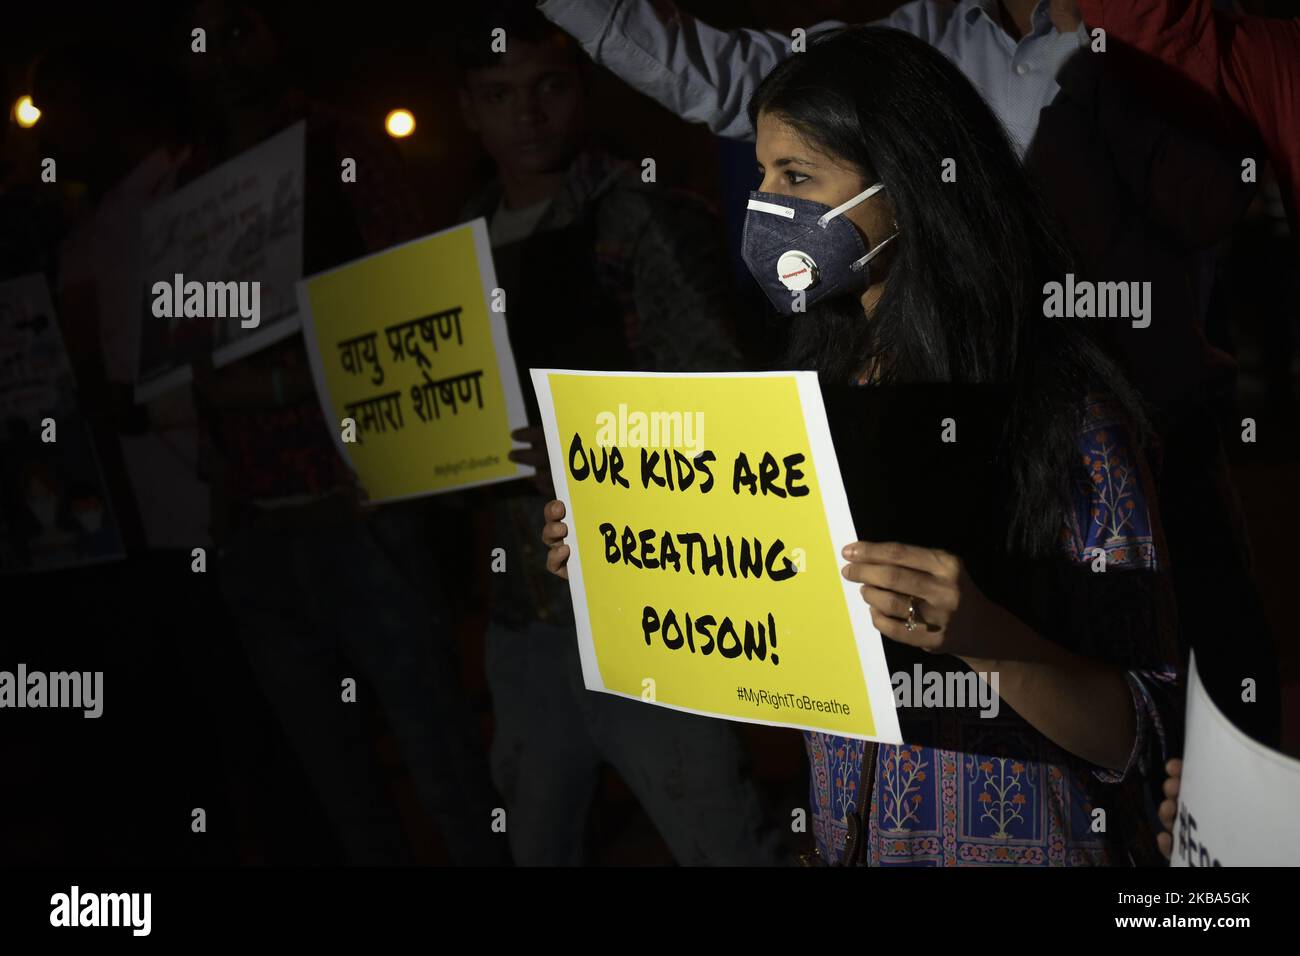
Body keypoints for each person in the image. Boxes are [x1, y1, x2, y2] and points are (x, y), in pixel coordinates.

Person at [545, 27, 1179, 865]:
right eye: (764, 172)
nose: (764, 205)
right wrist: (633, 553)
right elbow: (769, 648)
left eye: (798, 176)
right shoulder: (809, 402)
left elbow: (1134, 737)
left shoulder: (1061, 418)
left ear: (909, 185)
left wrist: (983, 636)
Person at [453, 1, 786, 865]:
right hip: (524, 615)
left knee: (722, 841)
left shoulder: (645, 217)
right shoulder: (452, 251)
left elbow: (726, 406)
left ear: (584, 87)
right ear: (468, 108)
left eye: (548, 86)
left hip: (647, 606)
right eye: (498, 93)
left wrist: (589, 455)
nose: (526, 115)